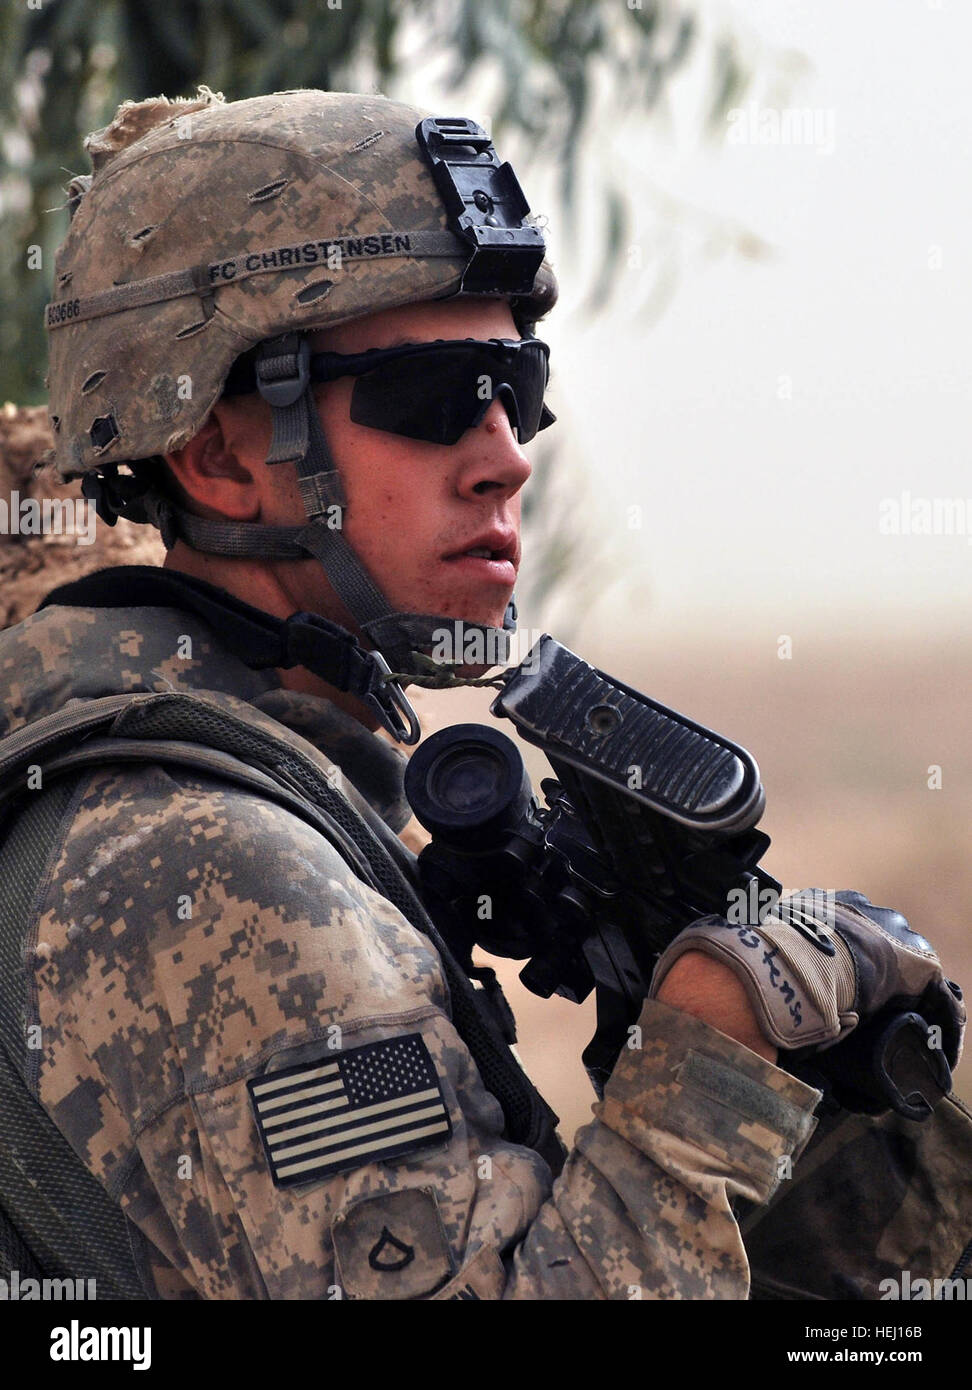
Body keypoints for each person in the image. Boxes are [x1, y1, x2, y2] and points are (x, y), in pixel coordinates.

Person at [0, 88, 962, 1300]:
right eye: (437, 395)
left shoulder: (202, 776)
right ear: (221, 455)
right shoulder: (209, 868)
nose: (507, 451)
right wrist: (712, 1054)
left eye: (520, 381)